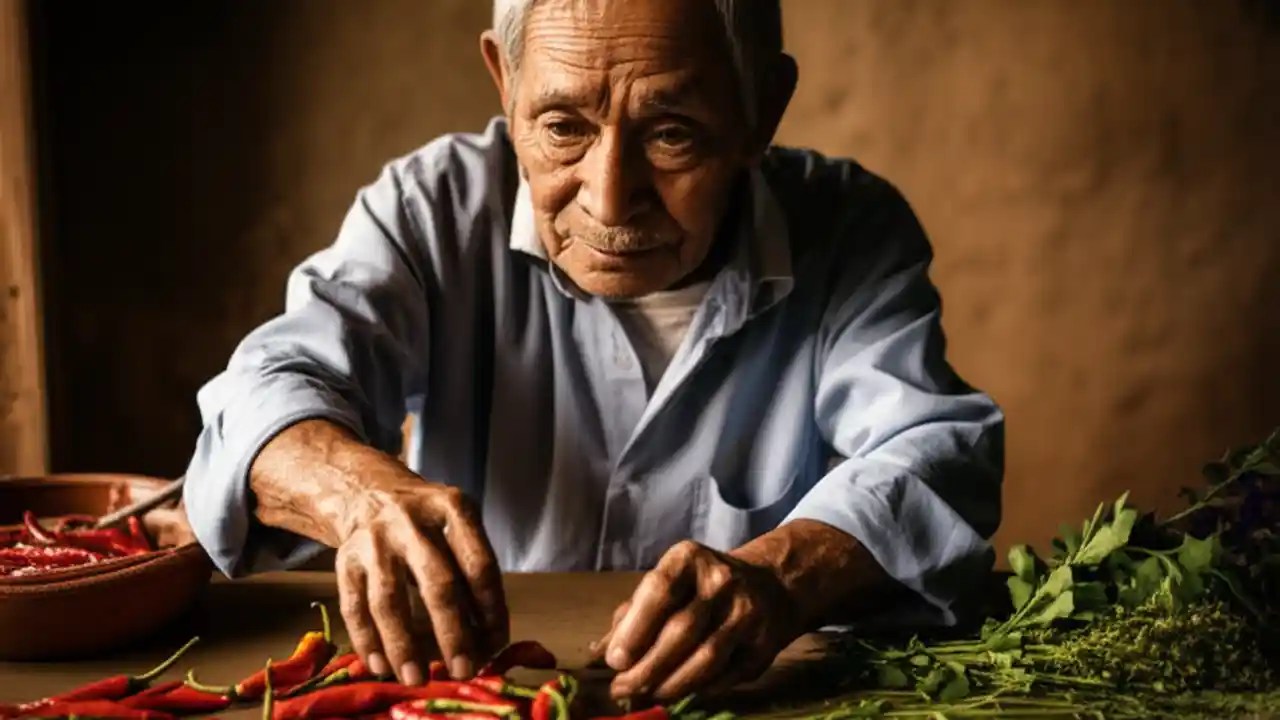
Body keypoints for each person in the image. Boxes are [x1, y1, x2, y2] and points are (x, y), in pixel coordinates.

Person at [183, 0, 1004, 702]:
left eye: (672, 135)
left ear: (761, 109)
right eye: (563, 127)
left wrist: (782, 577)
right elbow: (265, 391)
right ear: (505, 85)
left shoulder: (851, 228)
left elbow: (937, 451)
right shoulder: (429, 211)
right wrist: (359, 495)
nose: (610, 197)